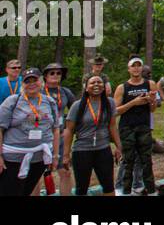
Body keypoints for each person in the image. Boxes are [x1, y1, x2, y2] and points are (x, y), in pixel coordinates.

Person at [0, 67, 61, 196]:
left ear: (41, 81)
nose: (31, 83)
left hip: (38, 158)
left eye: (35, 80)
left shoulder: (49, 102)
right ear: (23, 84)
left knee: (25, 192)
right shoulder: (12, 101)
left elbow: (55, 129)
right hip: (13, 159)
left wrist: (55, 156)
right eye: (28, 81)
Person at [62, 74, 121, 196]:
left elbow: (112, 126)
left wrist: (119, 147)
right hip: (82, 150)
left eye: (99, 82)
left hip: (103, 149)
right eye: (92, 83)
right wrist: (66, 155)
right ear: (86, 88)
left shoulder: (109, 103)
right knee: (81, 188)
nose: (96, 85)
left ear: (104, 87)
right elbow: (69, 130)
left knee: (108, 185)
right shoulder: (77, 105)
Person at [112, 57, 158, 195]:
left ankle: (150, 190)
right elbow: (115, 111)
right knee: (127, 160)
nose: (136, 68)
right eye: (133, 66)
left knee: (146, 160)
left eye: (139, 66)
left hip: (144, 126)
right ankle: (124, 190)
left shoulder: (150, 84)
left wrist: (152, 101)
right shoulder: (122, 87)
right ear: (129, 69)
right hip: (127, 127)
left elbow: (153, 109)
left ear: (142, 68)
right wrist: (134, 102)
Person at [40, 63, 75, 195]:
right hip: (42, 138)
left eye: (58, 73)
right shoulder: (39, 91)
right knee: (37, 175)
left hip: (60, 138)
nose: (55, 75)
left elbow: (76, 110)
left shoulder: (65, 92)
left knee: (65, 172)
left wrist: (68, 127)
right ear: (45, 76)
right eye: (52, 73)